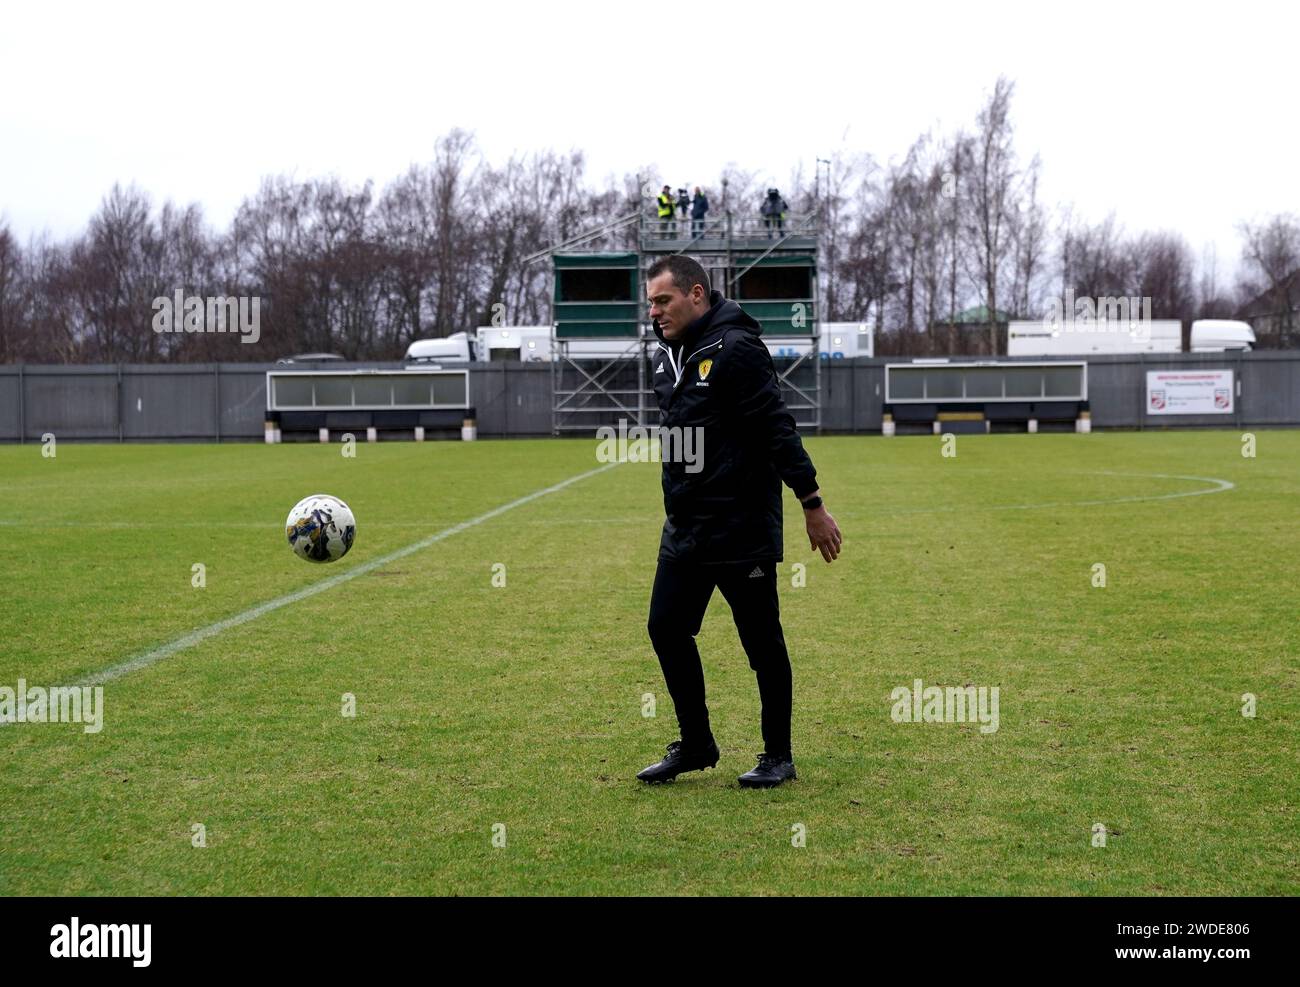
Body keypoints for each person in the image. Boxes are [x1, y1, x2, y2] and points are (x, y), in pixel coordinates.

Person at [638, 254, 842, 788]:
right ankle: (697, 744)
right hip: (686, 526)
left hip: (740, 525)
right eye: (651, 303)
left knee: (761, 642)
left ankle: (778, 755)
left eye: (664, 300)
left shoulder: (737, 348)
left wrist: (811, 502)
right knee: (665, 628)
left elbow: (776, 427)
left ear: (697, 294)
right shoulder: (665, 356)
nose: (655, 312)